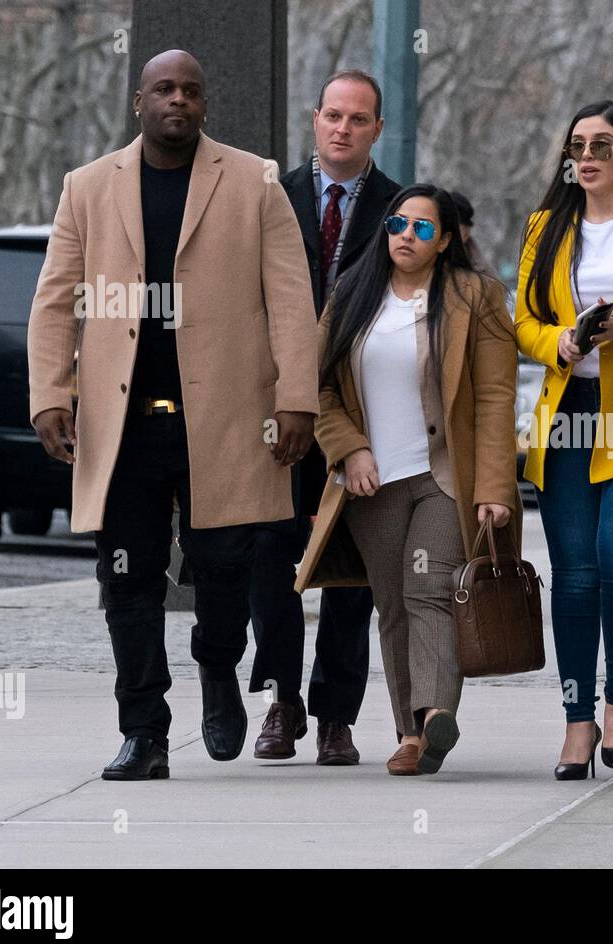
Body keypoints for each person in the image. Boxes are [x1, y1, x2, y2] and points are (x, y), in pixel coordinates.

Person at [27, 50, 318, 780]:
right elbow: (56, 300)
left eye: (191, 90)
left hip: (225, 418)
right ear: (139, 102)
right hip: (123, 424)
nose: (178, 101)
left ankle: (218, 667)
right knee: (127, 577)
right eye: (164, 89)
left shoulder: (254, 182)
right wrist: (50, 396)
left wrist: (296, 399)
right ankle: (144, 731)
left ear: (205, 104)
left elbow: (290, 300)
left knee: (224, 567)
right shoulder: (88, 188)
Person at [295, 185, 518, 777]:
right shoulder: (351, 294)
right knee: (392, 605)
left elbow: (496, 397)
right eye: (398, 223)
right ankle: (409, 731)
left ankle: (433, 715)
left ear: (446, 240)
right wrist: (350, 451)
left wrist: (495, 488)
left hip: (444, 477)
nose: (406, 236)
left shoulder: (477, 297)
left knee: (429, 591)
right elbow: (313, 387)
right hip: (373, 482)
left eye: (423, 228)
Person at [247, 69, 401, 766]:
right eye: (332, 115)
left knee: (353, 569)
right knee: (270, 557)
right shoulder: (269, 198)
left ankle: (337, 715)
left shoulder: (403, 208)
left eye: (358, 118)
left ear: (376, 129)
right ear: (315, 120)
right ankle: (284, 702)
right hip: (276, 411)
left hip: (363, 414)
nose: (343, 128)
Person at [514, 100, 613, 780]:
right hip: (570, 410)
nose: (588, 156)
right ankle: (578, 721)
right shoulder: (547, 226)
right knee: (574, 575)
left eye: (602, 146)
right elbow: (521, 319)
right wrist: (563, 340)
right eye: (578, 145)